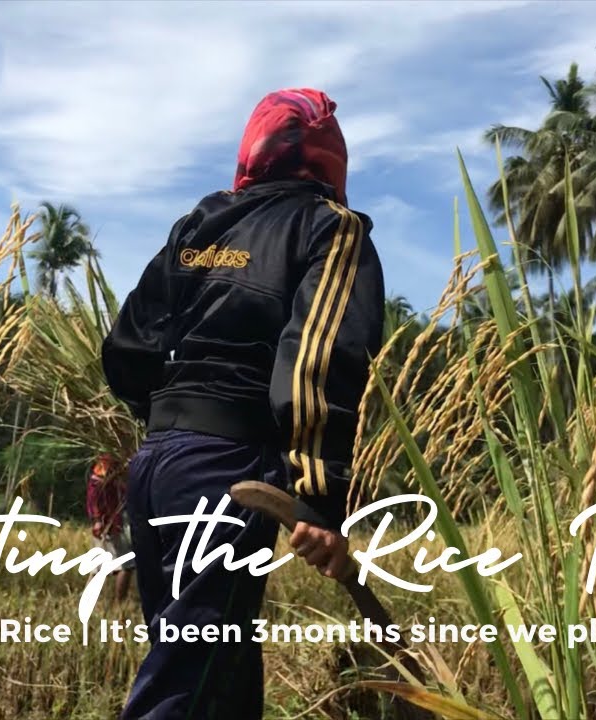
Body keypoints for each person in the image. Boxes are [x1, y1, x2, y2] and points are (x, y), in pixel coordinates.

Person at [101, 87, 384, 719]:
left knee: (218, 679)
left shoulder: (200, 225)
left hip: (158, 466)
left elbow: (125, 350)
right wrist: (320, 493)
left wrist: (177, 419)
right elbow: (319, 360)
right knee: (187, 687)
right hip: (227, 470)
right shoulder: (329, 227)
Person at [86, 451, 135, 605]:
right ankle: (119, 605)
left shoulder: (117, 474)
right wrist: (97, 519)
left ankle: (89, 602)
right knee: (125, 565)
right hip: (111, 524)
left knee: (99, 567)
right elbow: (94, 497)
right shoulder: (103, 474)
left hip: (112, 522)